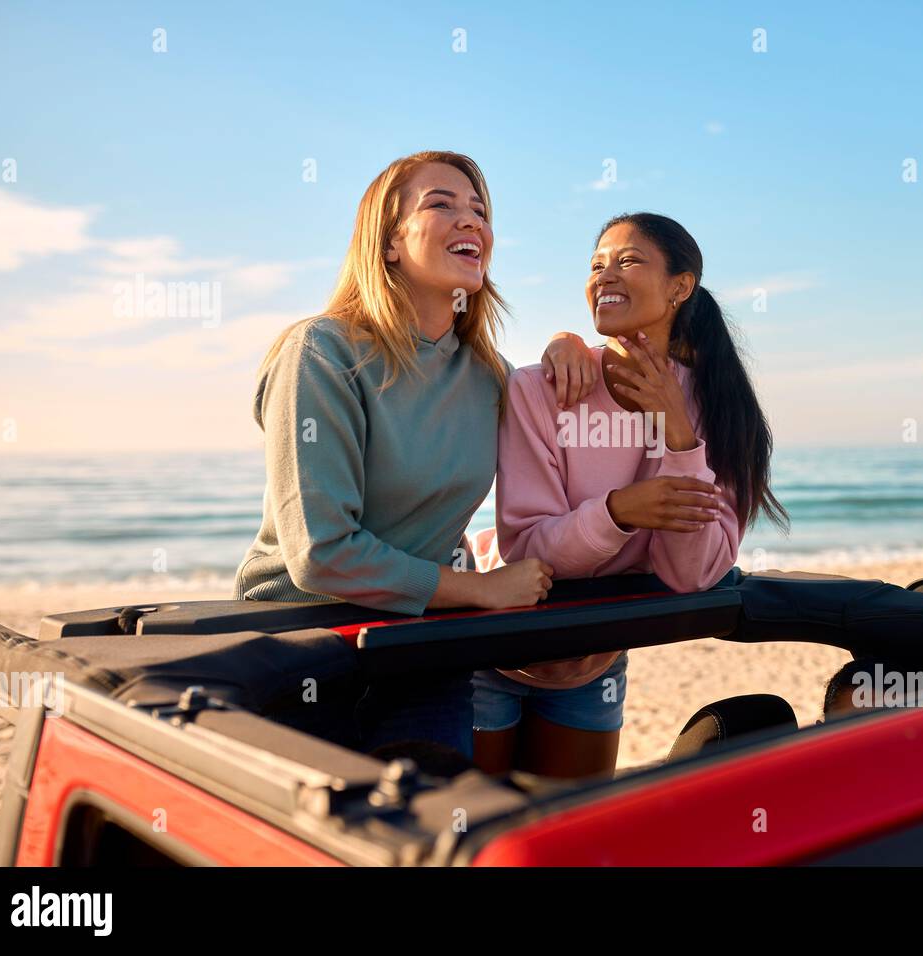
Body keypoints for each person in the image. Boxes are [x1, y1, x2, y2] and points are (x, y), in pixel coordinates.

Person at [233, 150, 596, 758]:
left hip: (419, 648)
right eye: (441, 205)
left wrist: (570, 344)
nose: (471, 222)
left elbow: (571, 465)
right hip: (302, 646)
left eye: (480, 211)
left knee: (436, 826)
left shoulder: (487, 376)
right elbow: (321, 552)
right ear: (390, 243)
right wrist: (479, 589)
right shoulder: (321, 353)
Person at [471, 212, 788, 778]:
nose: (605, 275)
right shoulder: (539, 388)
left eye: (629, 260)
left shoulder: (718, 405)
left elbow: (691, 575)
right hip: (490, 645)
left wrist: (680, 437)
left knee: (570, 840)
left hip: (596, 661)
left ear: (680, 287)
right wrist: (620, 512)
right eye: (596, 264)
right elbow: (526, 550)